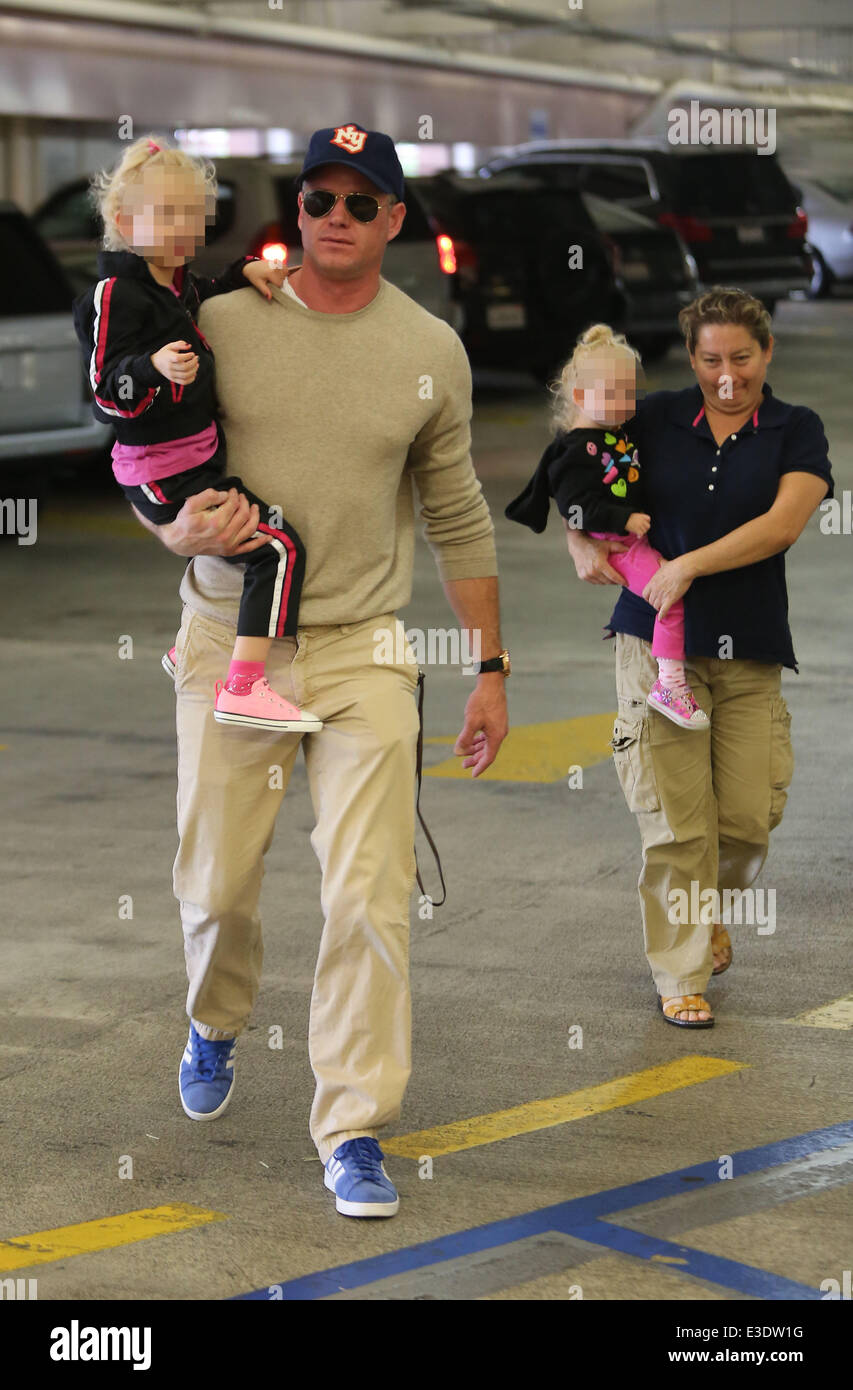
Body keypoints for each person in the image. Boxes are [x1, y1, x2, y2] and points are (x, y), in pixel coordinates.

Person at [129, 124, 509, 1216]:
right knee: (215, 885)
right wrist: (168, 533)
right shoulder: (220, 320)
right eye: (316, 200)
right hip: (229, 638)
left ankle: (351, 1125)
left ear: (394, 220)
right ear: (295, 212)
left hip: (360, 650)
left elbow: (457, 514)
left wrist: (489, 663)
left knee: (371, 896)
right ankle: (215, 1016)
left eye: (358, 202)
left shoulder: (430, 347)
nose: (332, 218)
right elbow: (142, 435)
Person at [564, 287, 832, 1028]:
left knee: (746, 819)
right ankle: (680, 973)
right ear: (691, 358)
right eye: (709, 359)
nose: (725, 375)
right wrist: (578, 534)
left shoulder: (793, 430)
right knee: (677, 825)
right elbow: (578, 465)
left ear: (765, 353)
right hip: (653, 647)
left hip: (748, 649)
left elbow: (781, 525)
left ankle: (707, 907)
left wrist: (688, 566)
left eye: (740, 358)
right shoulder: (652, 419)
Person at [73, 135, 321, 733]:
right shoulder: (113, 295)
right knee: (279, 549)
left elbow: (209, 295)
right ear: (124, 220)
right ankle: (243, 685)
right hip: (162, 469)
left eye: (194, 214)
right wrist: (151, 370)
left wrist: (247, 271)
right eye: (168, 214)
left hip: (197, 461)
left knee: (243, 545)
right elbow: (105, 391)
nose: (186, 228)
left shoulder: (174, 284)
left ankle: (192, 651)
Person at [506, 323, 708, 730]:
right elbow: (576, 506)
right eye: (612, 394)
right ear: (580, 396)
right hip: (619, 544)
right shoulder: (574, 452)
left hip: (630, 540)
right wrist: (623, 520)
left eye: (630, 393)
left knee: (670, 588)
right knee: (669, 598)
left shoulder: (611, 433)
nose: (625, 403)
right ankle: (669, 684)